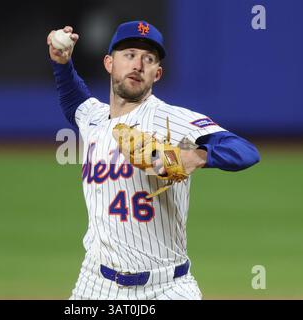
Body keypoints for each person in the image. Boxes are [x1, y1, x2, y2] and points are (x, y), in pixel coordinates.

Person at [47, 21, 260, 300]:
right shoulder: (94, 118)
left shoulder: (173, 119)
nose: (138, 64)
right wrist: (61, 63)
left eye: (148, 59)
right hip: (95, 283)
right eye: (130, 54)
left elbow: (245, 151)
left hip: (166, 286)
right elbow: (74, 100)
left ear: (157, 74)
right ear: (109, 63)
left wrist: (195, 156)